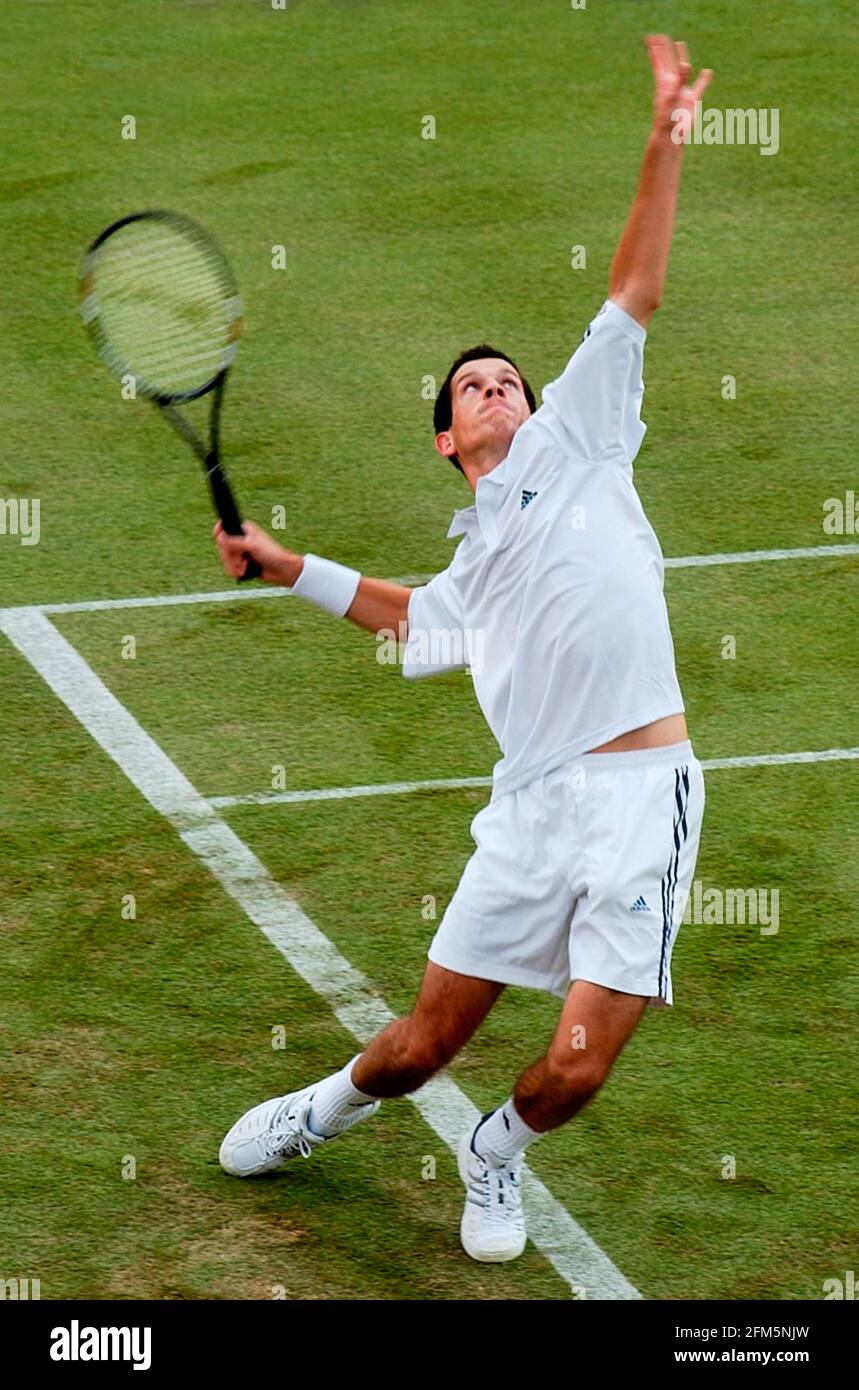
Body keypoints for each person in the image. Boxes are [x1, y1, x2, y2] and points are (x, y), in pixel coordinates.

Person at [214, 34, 712, 1264]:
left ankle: (496, 1151)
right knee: (419, 1043)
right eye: (470, 388)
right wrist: (286, 568)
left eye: (508, 381)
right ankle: (323, 1109)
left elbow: (632, 291)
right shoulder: (473, 560)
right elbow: (408, 617)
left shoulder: (584, 441)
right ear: (446, 438)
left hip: (640, 797)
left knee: (577, 1067)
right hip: (532, 810)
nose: (494, 390)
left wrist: (662, 138)